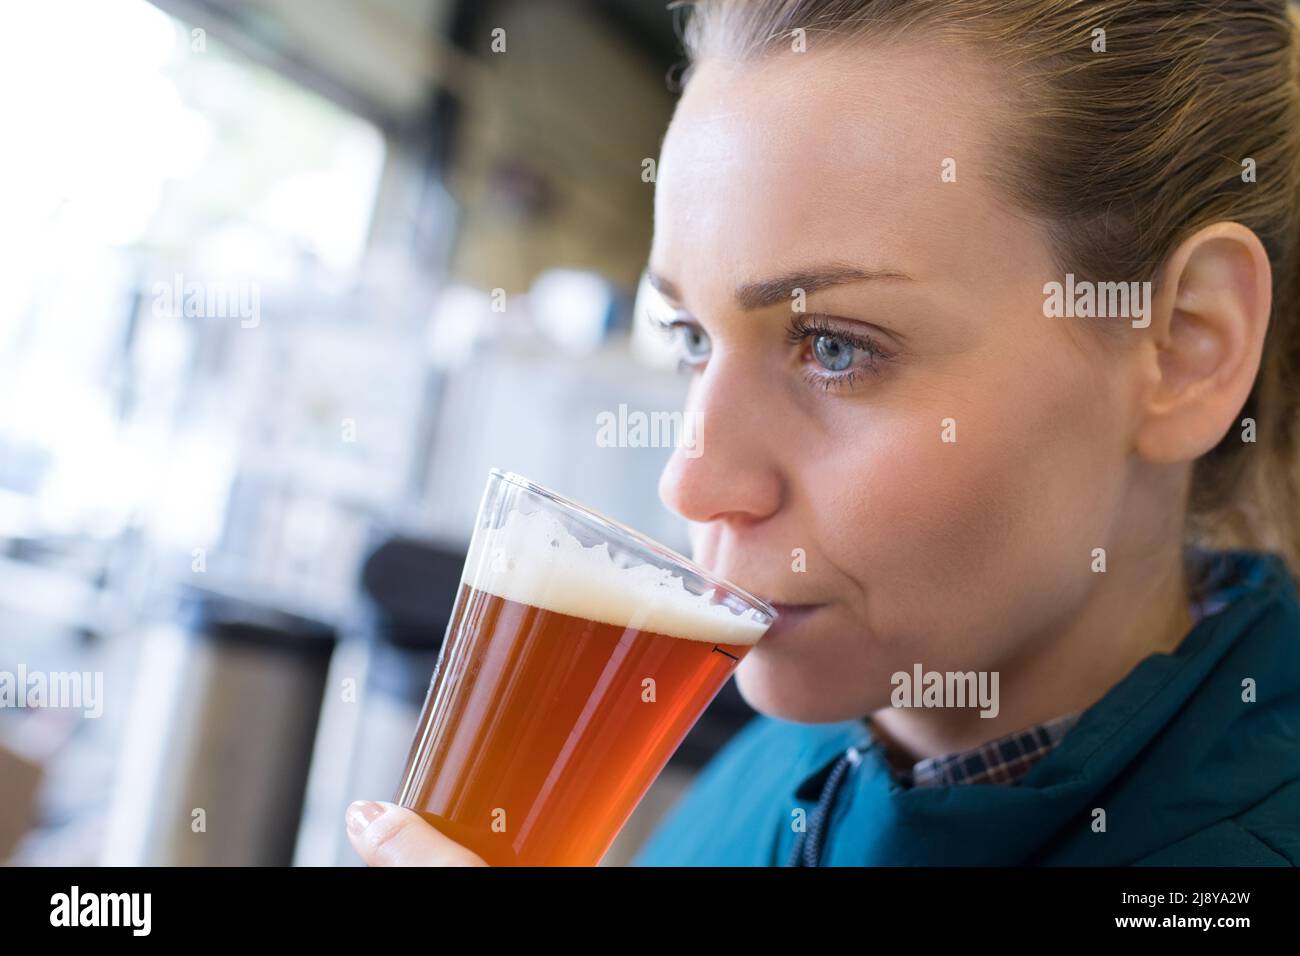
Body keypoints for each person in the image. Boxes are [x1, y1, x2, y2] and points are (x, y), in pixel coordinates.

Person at [347, 0, 1300, 866]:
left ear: (1183, 348)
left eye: (835, 348)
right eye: (689, 337)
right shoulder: (788, 764)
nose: (693, 481)